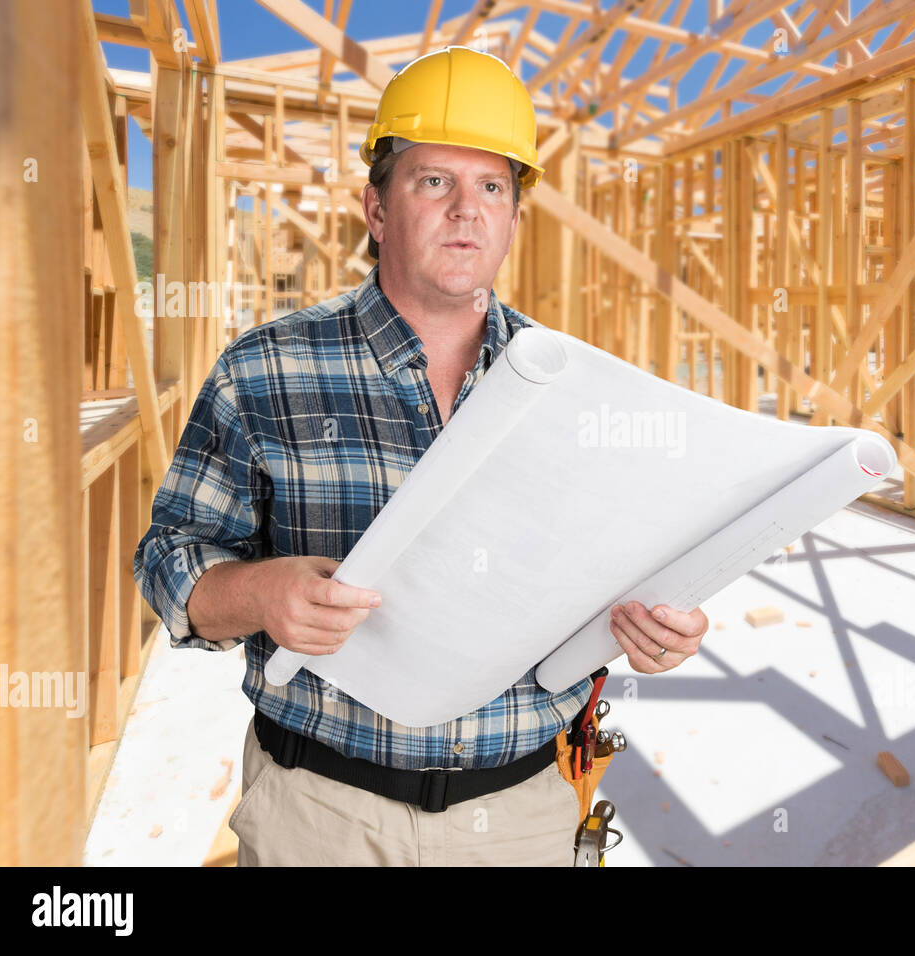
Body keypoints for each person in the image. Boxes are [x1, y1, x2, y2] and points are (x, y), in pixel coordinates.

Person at [133, 45, 708, 867]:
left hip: (524, 818)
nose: (466, 210)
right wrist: (259, 593)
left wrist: (652, 626)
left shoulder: (576, 393)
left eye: (492, 187)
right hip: (320, 816)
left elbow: (612, 580)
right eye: (434, 181)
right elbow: (168, 564)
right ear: (376, 208)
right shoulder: (266, 371)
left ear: (515, 216)